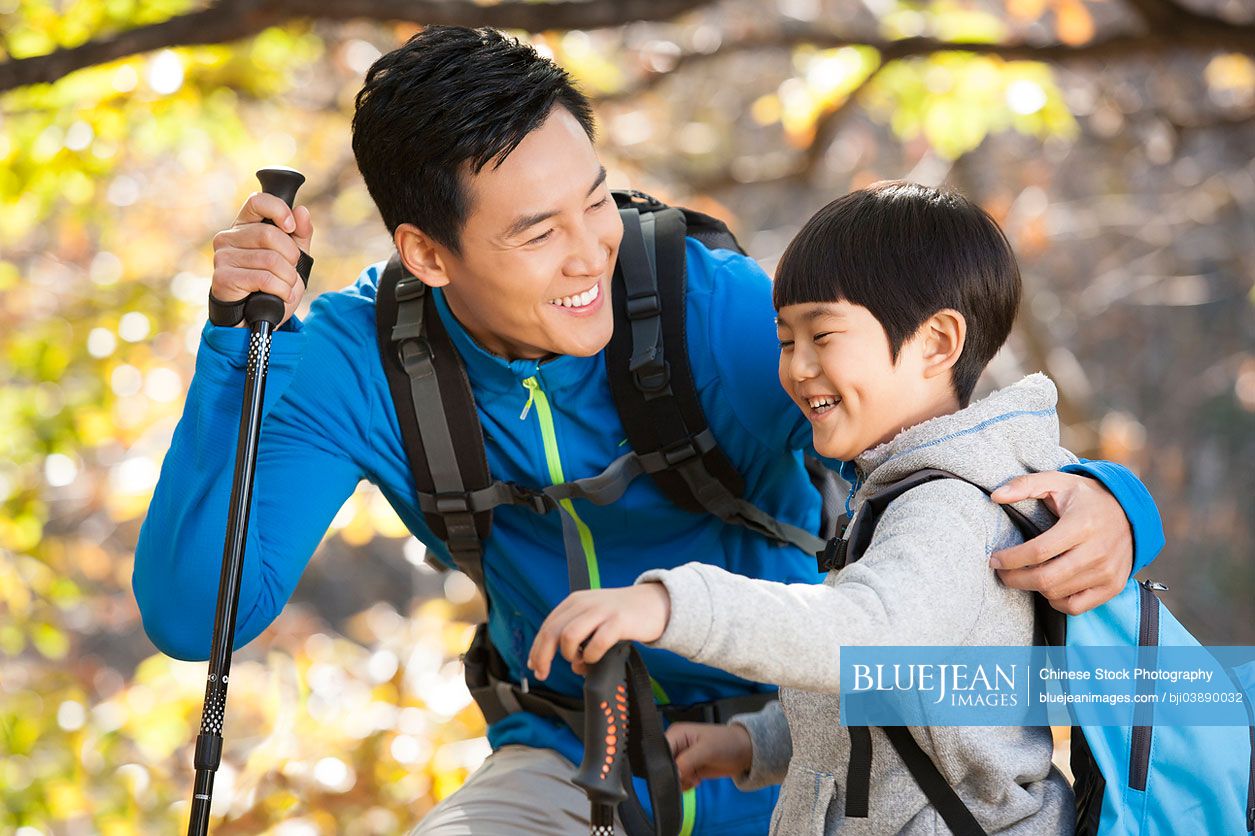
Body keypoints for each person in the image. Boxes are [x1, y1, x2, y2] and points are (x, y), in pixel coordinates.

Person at [134, 27, 1163, 835]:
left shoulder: (700, 312)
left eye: (593, 203)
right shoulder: (355, 363)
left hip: (805, 749)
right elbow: (195, 615)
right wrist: (237, 351)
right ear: (428, 253)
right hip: (576, 757)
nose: (590, 254)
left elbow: (932, 431)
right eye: (538, 234)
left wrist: (1116, 503)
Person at [528, 182, 1084, 834]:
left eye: (822, 334)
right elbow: (906, 702)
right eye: (786, 340)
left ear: (936, 343)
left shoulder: (947, 510)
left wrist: (667, 605)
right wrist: (754, 744)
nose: (795, 368)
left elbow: (860, 634)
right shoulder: (906, 491)